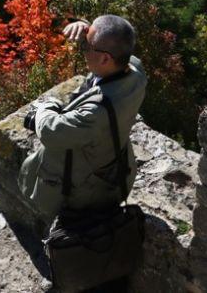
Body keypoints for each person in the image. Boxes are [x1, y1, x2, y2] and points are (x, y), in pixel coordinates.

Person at [18, 15, 148, 229]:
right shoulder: (135, 71)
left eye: (86, 45)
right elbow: (115, 42)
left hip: (84, 186)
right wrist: (86, 28)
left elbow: (51, 131)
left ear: (105, 59)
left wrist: (46, 106)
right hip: (114, 165)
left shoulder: (97, 111)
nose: (82, 49)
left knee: (68, 229)